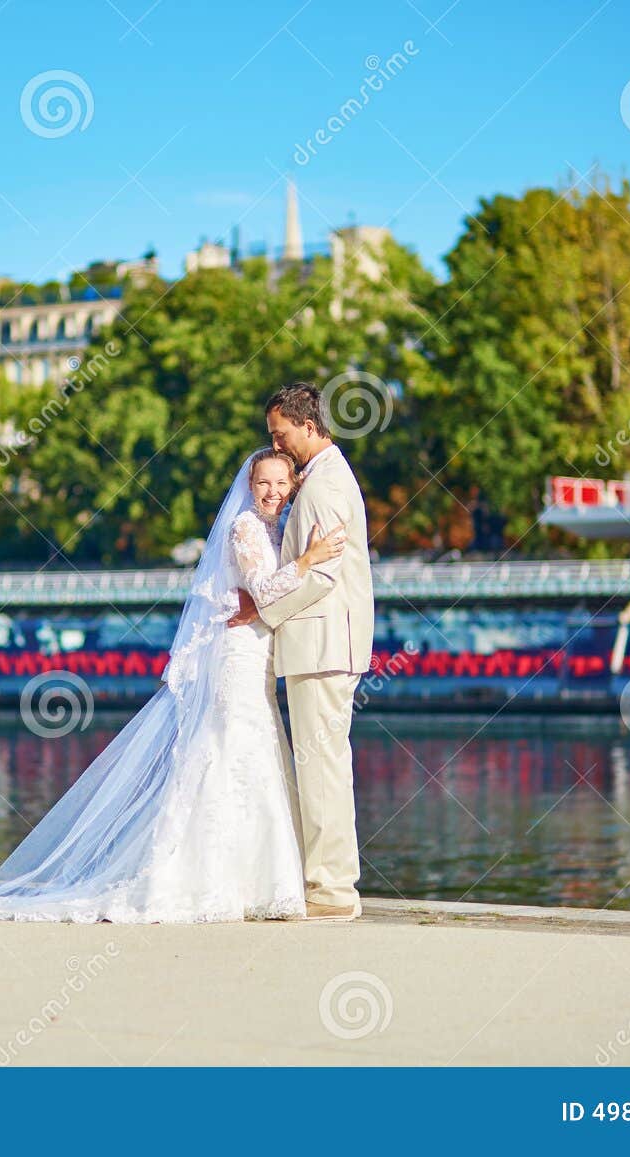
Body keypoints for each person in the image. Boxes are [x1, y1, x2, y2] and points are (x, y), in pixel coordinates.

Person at [0, 447, 347, 923]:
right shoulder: (245, 527)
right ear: (249, 487)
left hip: (259, 655)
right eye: (263, 483)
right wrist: (310, 559)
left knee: (255, 752)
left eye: (281, 484)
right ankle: (202, 879)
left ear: (292, 487)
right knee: (229, 750)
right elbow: (264, 589)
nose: (272, 492)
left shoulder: (275, 528)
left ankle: (253, 883)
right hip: (236, 656)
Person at [228, 382, 376, 922]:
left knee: (322, 769)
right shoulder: (322, 480)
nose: (277, 445)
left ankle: (332, 891)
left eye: (280, 434)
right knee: (324, 765)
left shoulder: (323, 487)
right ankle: (326, 883)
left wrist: (261, 610)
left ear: (308, 427)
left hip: (320, 643)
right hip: (322, 641)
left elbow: (319, 576)